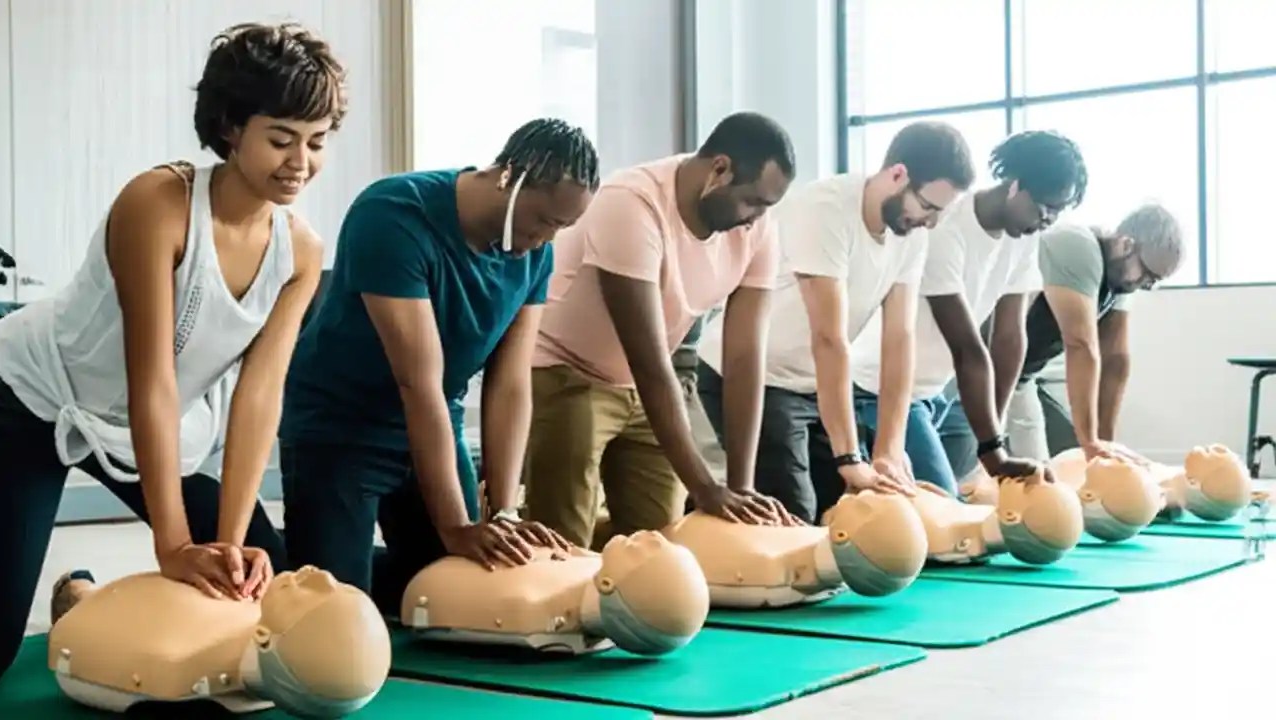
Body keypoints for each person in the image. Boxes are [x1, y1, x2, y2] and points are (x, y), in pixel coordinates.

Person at [0, 22, 344, 683]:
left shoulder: (301, 252)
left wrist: (233, 544)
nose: (301, 161)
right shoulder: (158, 203)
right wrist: (175, 546)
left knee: (261, 585)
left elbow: (258, 396)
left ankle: (85, 601)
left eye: (317, 141)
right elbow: (150, 373)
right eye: (281, 139)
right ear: (232, 128)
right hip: (28, 402)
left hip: (141, 431)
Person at [277, 118, 595, 616]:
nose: (545, 238)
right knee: (334, 612)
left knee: (452, 591)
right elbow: (416, 380)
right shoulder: (393, 213)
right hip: (341, 428)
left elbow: (510, 384)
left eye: (562, 228)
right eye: (544, 219)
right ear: (510, 179)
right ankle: (293, 555)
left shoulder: (536, 255)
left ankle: (331, 553)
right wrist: (455, 526)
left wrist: (504, 510)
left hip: (434, 426)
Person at [522, 112, 798, 550]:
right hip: (565, 370)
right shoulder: (631, 202)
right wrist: (705, 489)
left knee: (659, 549)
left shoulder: (759, 228)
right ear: (719, 169)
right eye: (752, 202)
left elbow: (745, 358)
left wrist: (740, 484)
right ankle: (517, 520)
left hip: (645, 384)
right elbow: (647, 357)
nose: (754, 220)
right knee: (564, 547)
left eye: (766, 208)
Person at [697, 120, 975, 524]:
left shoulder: (911, 234)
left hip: (813, 387)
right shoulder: (827, 208)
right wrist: (849, 457)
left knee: (855, 510)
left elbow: (900, 340)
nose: (930, 222)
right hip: (754, 378)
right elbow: (828, 337)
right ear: (898, 174)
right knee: (797, 515)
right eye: (929, 207)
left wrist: (888, 451)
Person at [861, 130, 1089, 490]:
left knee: (972, 492)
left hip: (937, 395)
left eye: (1057, 213)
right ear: (1015, 186)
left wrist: (993, 431)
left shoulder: (1025, 238)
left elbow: (1010, 338)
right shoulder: (946, 226)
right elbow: (967, 348)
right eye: (1045, 206)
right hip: (877, 389)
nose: (1047, 220)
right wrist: (993, 451)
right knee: (941, 508)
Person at [998, 203, 1184, 464]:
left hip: (1019, 379)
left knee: (1041, 478)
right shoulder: (1079, 247)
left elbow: (1115, 360)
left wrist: (1105, 447)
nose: (1144, 285)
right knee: (961, 475)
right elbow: (1081, 345)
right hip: (976, 369)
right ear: (1127, 245)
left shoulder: (1120, 283)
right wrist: (1089, 441)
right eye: (1147, 275)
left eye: (1153, 283)